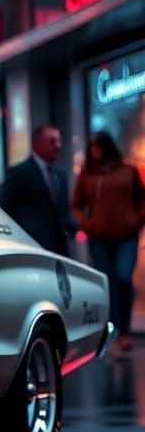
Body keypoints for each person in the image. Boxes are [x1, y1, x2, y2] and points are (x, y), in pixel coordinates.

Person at [71, 130, 145, 353]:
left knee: (123, 278)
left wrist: (137, 220)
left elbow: (142, 201)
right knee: (108, 284)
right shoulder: (87, 174)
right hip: (100, 238)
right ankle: (113, 331)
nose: (94, 150)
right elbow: (75, 204)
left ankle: (125, 331)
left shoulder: (128, 171)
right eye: (91, 146)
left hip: (126, 236)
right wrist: (87, 223)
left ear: (107, 146)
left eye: (98, 146)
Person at [0, 123, 77, 256]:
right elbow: (3, 209)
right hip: (32, 247)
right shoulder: (19, 172)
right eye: (52, 141)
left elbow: (62, 210)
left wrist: (70, 226)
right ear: (36, 144)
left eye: (59, 141)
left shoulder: (60, 173)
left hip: (59, 248)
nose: (58, 146)